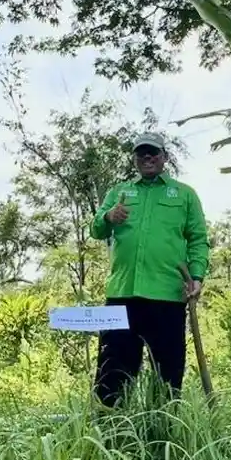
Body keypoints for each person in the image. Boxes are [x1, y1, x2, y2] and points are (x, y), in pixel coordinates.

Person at [89, 132, 210, 407]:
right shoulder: (119, 192)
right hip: (121, 295)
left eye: (153, 153)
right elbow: (95, 229)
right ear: (134, 159)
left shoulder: (185, 194)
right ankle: (111, 432)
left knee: (167, 373)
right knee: (112, 371)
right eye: (141, 153)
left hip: (167, 296)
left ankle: (162, 434)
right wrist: (108, 217)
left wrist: (197, 277)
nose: (147, 158)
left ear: (165, 157)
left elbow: (198, 240)